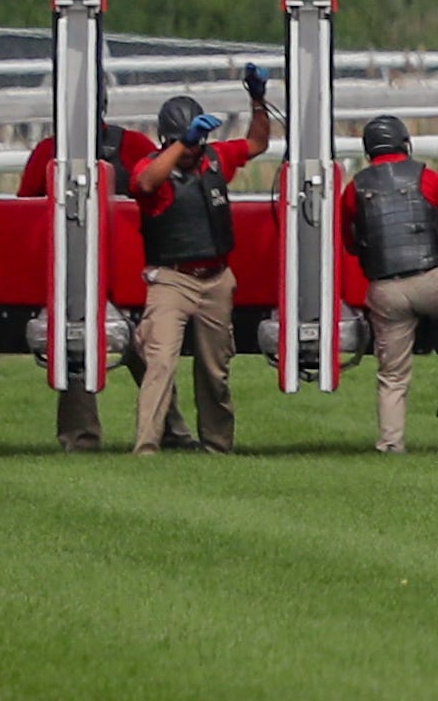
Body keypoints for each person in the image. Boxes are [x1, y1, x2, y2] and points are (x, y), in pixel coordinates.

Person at [129, 72, 274, 455]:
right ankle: (146, 447)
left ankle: (217, 446)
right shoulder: (151, 168)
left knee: (215, 370)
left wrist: (258, 101)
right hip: (171, 281)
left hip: (216, 278)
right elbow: (146, 184)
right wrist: (180, 144)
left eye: (196, 142)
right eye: (186, 142)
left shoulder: (215, 158)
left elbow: (258, 142)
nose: (194, 150)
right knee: (160, 362)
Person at [20, 68, 146, 452]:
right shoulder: (49, 152)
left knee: (144, 351)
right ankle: (88, 435)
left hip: (125, 273)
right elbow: (25, 215)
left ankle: (160, 429)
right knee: (76, 343)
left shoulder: (134, 147)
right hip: (76, 273)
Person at [338, 113, 438, 451]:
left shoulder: (354, 187)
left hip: (385, 288)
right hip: (433, 276)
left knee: (392, 375)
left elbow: (349, 242)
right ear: (405, 142)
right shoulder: (428, 177)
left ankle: (391, 444)